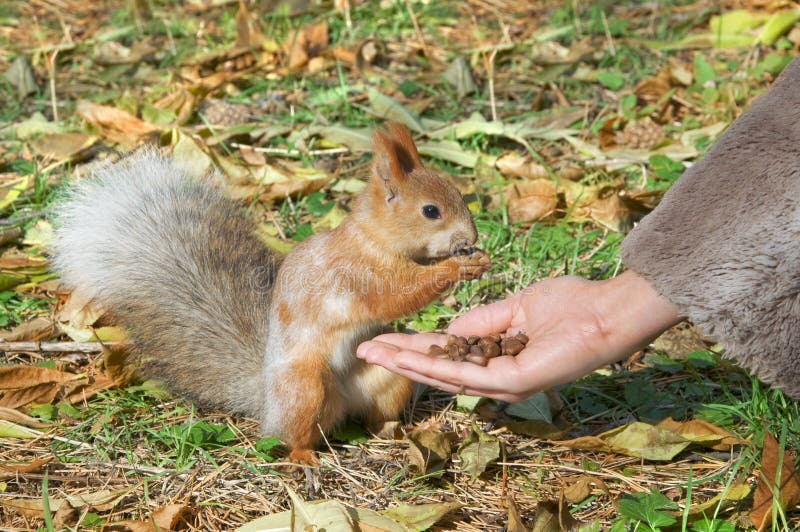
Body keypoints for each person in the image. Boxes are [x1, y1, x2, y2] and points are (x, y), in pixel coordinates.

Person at [357, 55, 800, 402]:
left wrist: (606, 319)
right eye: (433, 214)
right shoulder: (363, 249)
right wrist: (604, 317)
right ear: (389, 195)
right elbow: (385, 296)